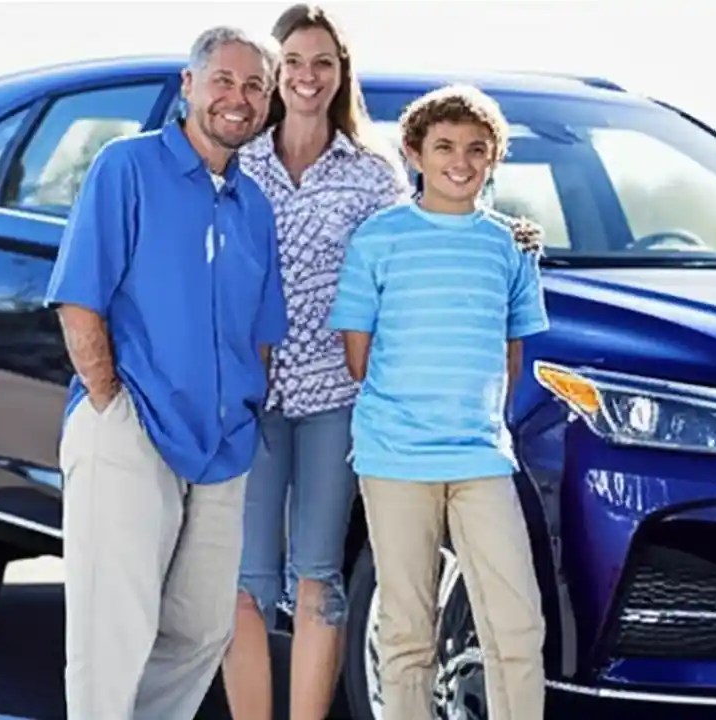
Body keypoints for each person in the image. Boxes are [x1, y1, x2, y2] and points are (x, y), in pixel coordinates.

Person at [44, 26, 287, 720]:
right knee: (112, 630)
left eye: (253, 87)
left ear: (267, 103)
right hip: (131, 427)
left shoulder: (255, 208)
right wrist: (109, 400)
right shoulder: (126, 168)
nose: (237, 99)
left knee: (200, 629)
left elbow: (260, 333)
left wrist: (242, 408)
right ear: (188, 86)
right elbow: (80, 301)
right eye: (223, 81)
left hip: (222, 444)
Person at [328, 84, 549, 720]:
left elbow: (511, 351)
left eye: (478, 150)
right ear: (414, 154)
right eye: (445, 147)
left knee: (516, 622)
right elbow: (357, 354)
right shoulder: (379, 239)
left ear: (493, 159)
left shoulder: (510, 246)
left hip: (480, 458)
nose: (461, 161)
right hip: (395, 457)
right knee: (406, 628)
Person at [219, 5, 408, 720]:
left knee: (318, 578)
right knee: (246, 582)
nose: (306, 76)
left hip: (337, 396)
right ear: (274, 74)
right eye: (292, 62)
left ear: (340, 74)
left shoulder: (372, 173)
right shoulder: (240, 162)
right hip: (249, 394)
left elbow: (400, 273)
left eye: (321, 62)